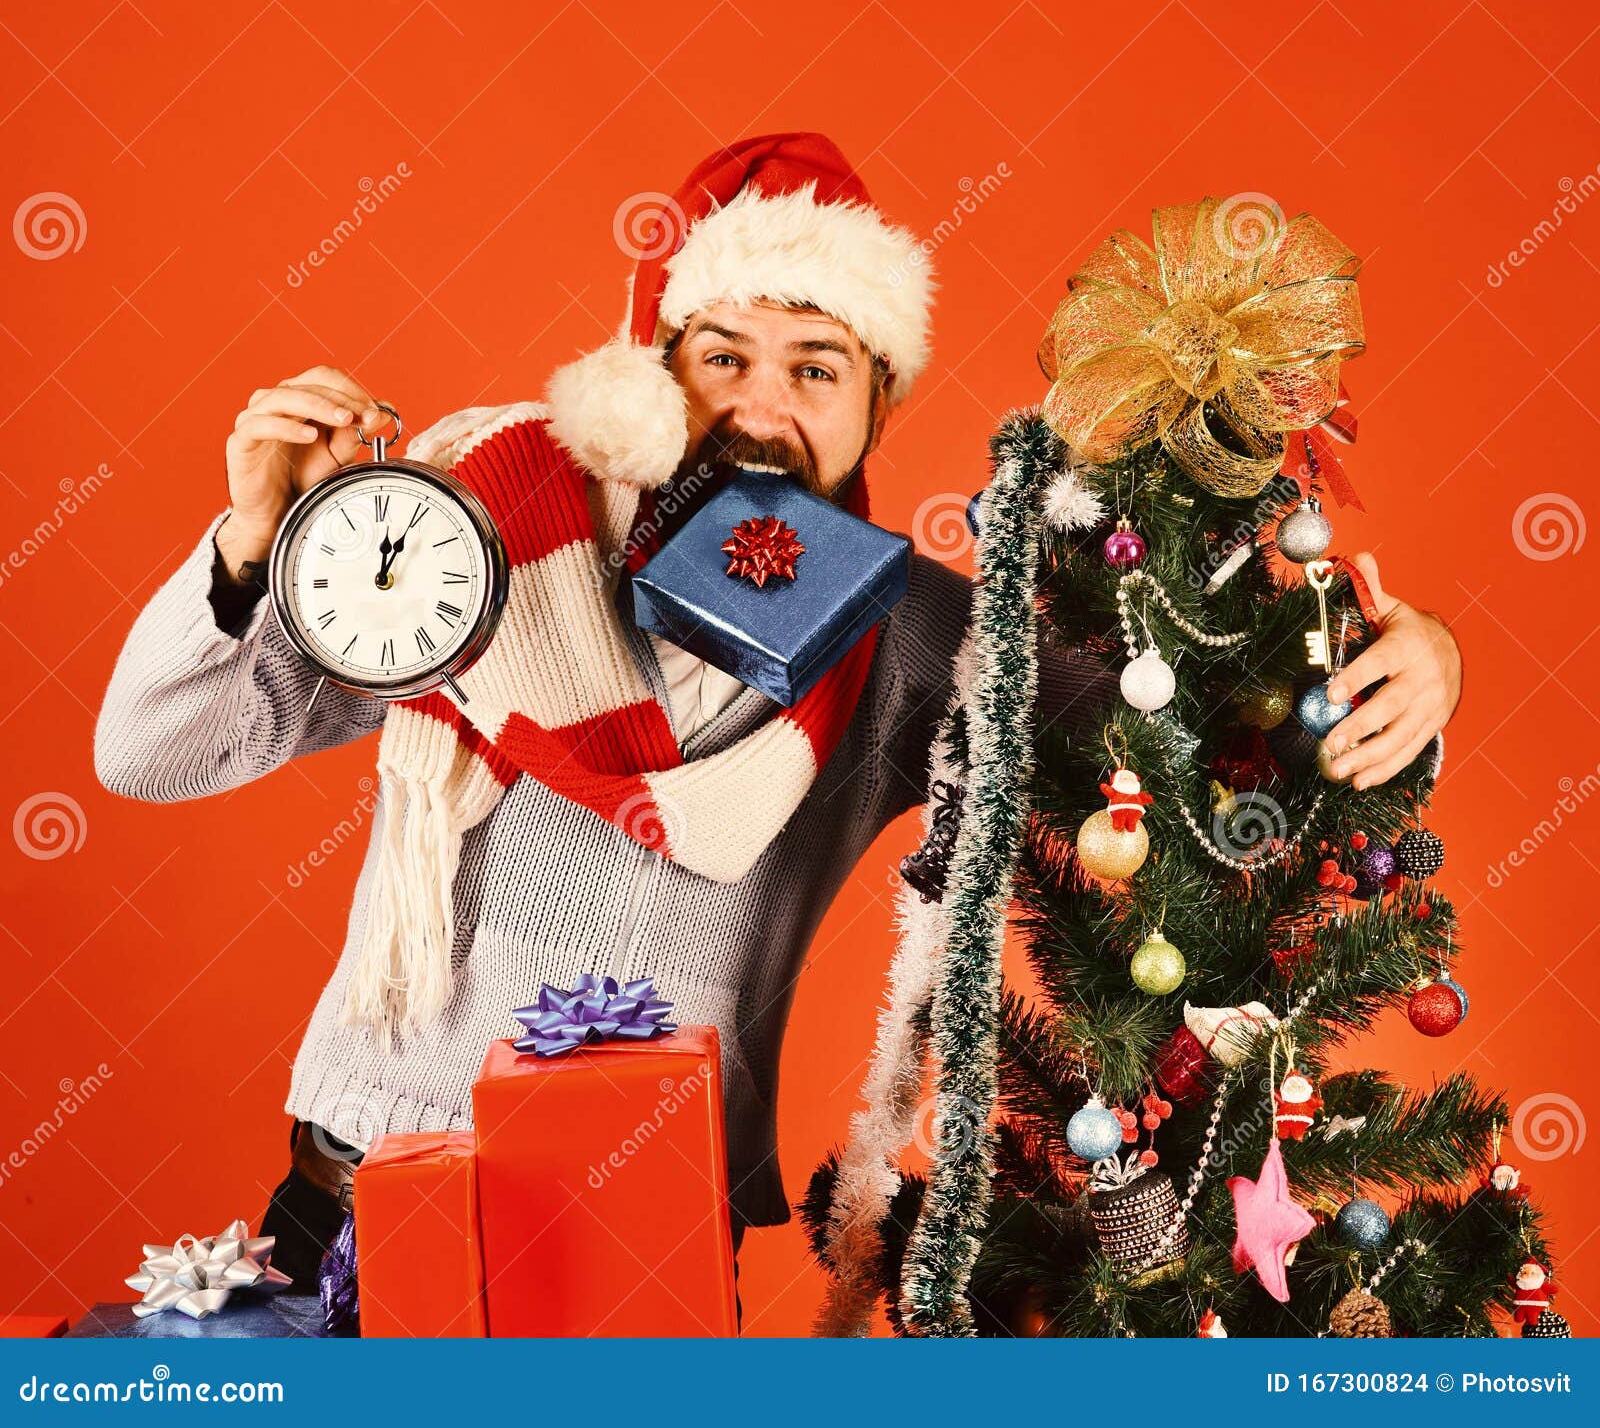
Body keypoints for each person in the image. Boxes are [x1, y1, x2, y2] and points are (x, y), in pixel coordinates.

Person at [92, 132, 1462, 1318]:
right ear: (653, 371)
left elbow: (1181, 755)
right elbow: (148, 751)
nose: (761, 406)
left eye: (817, 367)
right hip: (363, 1212)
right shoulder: (480, 534)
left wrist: (1409, 667)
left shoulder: (911, 637)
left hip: (643, 1248)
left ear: (880, 403)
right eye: (722, 355)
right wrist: (248, 541)